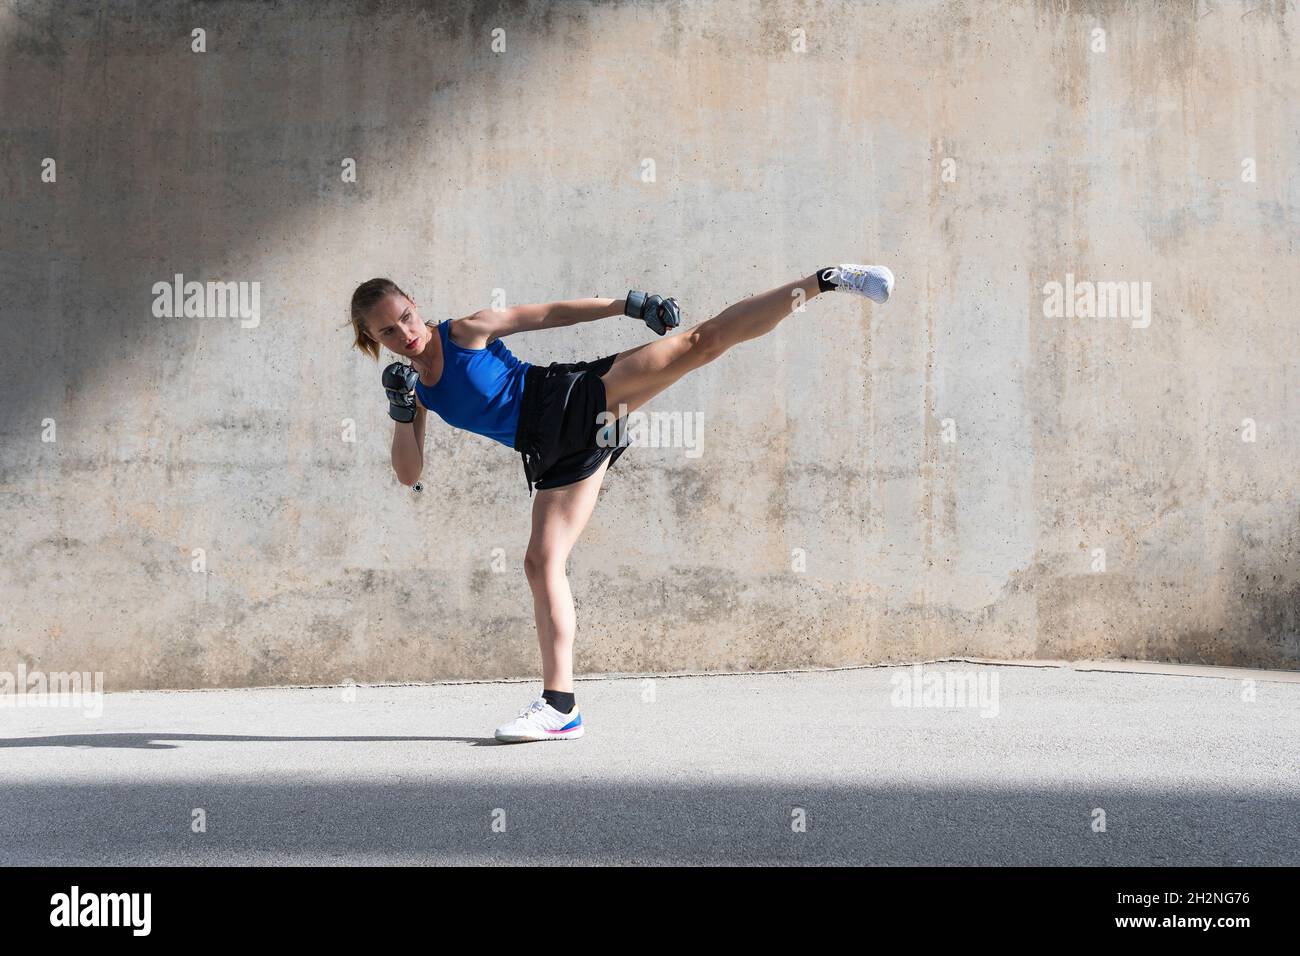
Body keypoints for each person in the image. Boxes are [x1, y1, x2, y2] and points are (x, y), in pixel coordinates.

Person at [348, 265, 893, 742]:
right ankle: (561, 709)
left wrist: (627, 305)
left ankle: (826, 280)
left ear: (415, 305)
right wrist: (400, 413)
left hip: (570, 397)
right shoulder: (413, 390)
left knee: (700, 343)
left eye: (406, 318)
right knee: (540, 563)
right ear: (372, 339)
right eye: (388, 332)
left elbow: (548, 315)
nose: (405, 335)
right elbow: (409, 474)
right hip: (554, 452)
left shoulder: (463, 331)